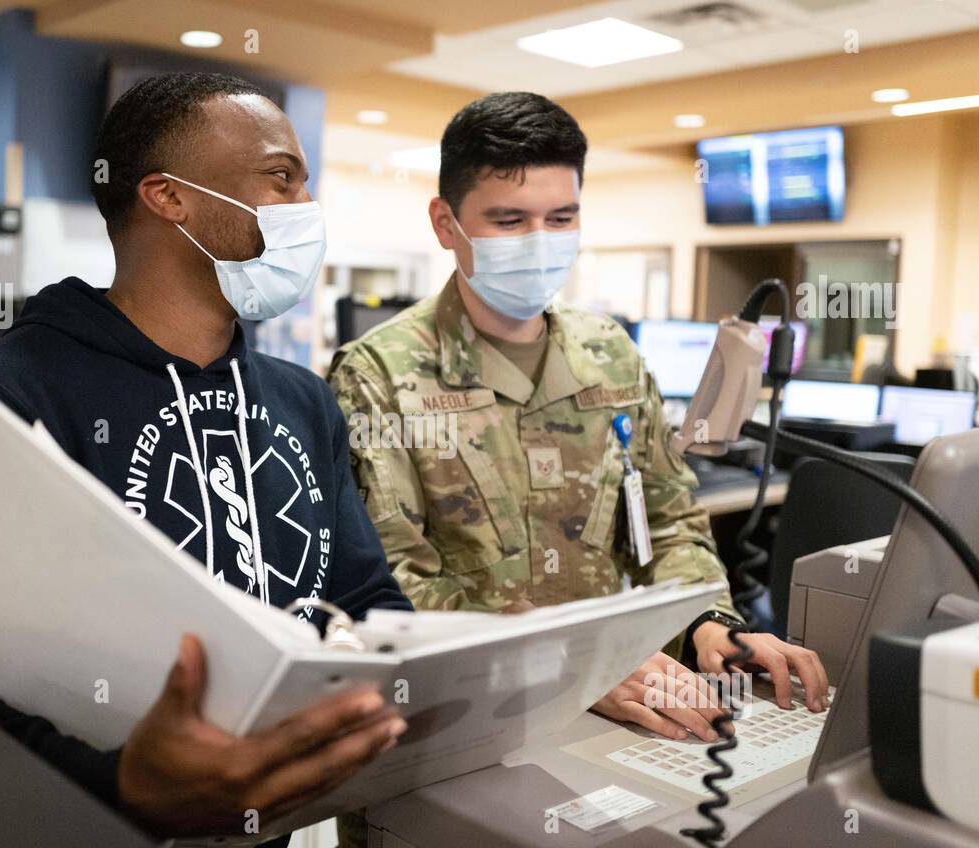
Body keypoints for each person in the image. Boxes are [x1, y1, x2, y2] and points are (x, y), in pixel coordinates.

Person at [0, 72, 410, 848]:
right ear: (169, 197)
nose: (306, 208)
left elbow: (365, 599)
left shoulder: (303, 403)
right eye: (280, 176)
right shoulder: (7, 394)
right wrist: (124, 787)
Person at [329, 91, 830, 751]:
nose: (541, 242)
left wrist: (709, 625)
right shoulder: (378, 375)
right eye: (509, 220)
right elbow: (391, 586)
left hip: (621, 721)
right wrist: (569, 664)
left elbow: (671, 520)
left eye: (561, 217)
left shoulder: (610, 354)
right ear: (445, 223)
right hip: (458, 731)